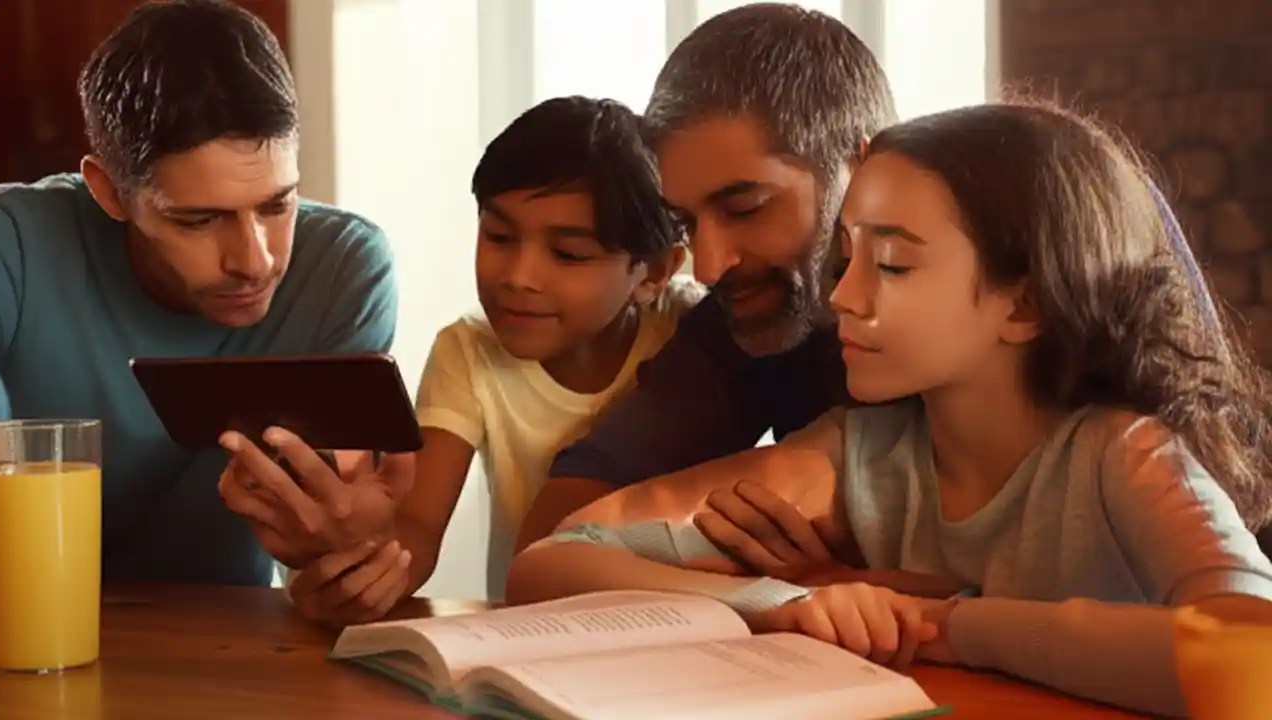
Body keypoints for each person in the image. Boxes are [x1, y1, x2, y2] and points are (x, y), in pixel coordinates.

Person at [505, 101, 1272, 718]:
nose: (842, 298)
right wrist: (784, 605)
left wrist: (954, 626)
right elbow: (552, 560)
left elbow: (1253, 657)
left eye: (894, 264)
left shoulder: (1125, 452)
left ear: (1027, 302)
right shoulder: (858, 453)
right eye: (846, 259)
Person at [221, 96, 698, 623]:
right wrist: (364, 567)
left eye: (568, 254)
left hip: (685, 620)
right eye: (498, 236)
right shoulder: (469, 352)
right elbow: (418, 529)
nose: (518, 275)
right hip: (539, 625)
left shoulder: (691, 331)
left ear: (654, 272)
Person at [0, 0, 398, 586]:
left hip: (222, 644)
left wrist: (341, 559)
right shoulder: (10, 246)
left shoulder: (344, 269)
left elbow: (331, 531)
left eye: (277, 205)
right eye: (198, 220)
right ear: (108, 192)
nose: (254, 262)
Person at [515, 3, 899, 550]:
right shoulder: (748, 319)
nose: (710, 265)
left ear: (866, 174)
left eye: (746, 208)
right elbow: (557, 529)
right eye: (687, 223)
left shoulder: (1013, 311)